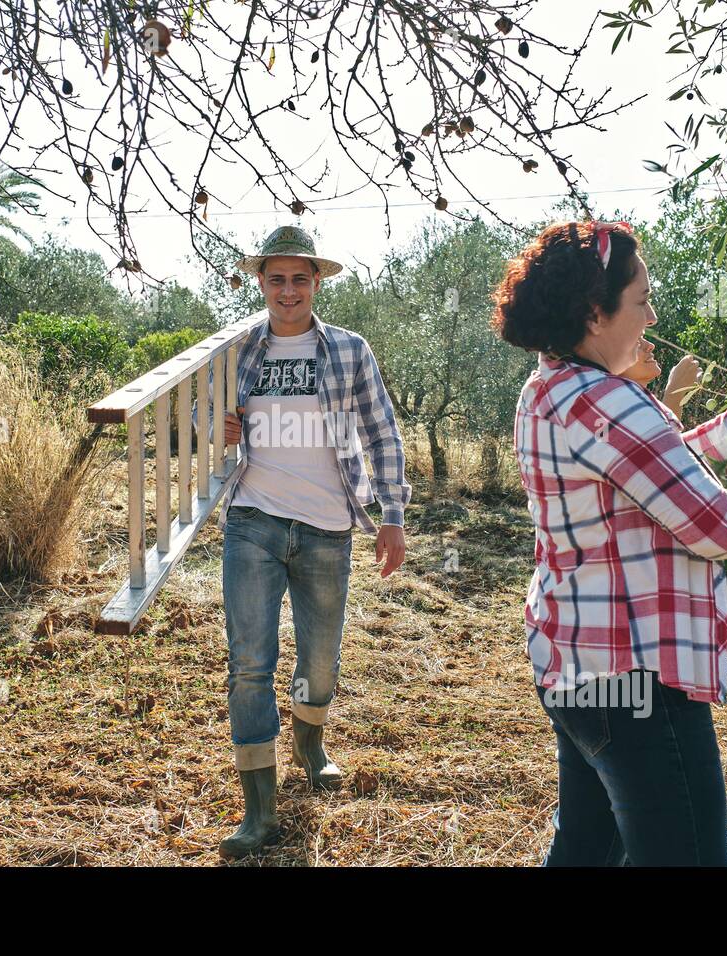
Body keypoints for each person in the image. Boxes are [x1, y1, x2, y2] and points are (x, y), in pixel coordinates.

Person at [492, 220, 727, 866]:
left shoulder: (551, 387)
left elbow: (668, 465)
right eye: (642, 300)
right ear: (596, 313)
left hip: (577, 666)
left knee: (588, 852)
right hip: (638, 682)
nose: (653, 316)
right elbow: (719, 526)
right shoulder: (608, 403)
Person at [215, 225, 411, 860]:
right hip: (254, 519)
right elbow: (197, 417)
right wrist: (212, 425)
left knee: (319, 659)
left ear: (317, 283)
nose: (289, 290)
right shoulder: (240, 350)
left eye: (301, 279)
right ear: (261, 282)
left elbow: (382, 433)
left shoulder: (349, 350)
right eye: (277, 279)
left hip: (329, 524)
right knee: (250, 661)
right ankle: (259, 810)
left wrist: (393, 515)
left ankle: (310, 741)